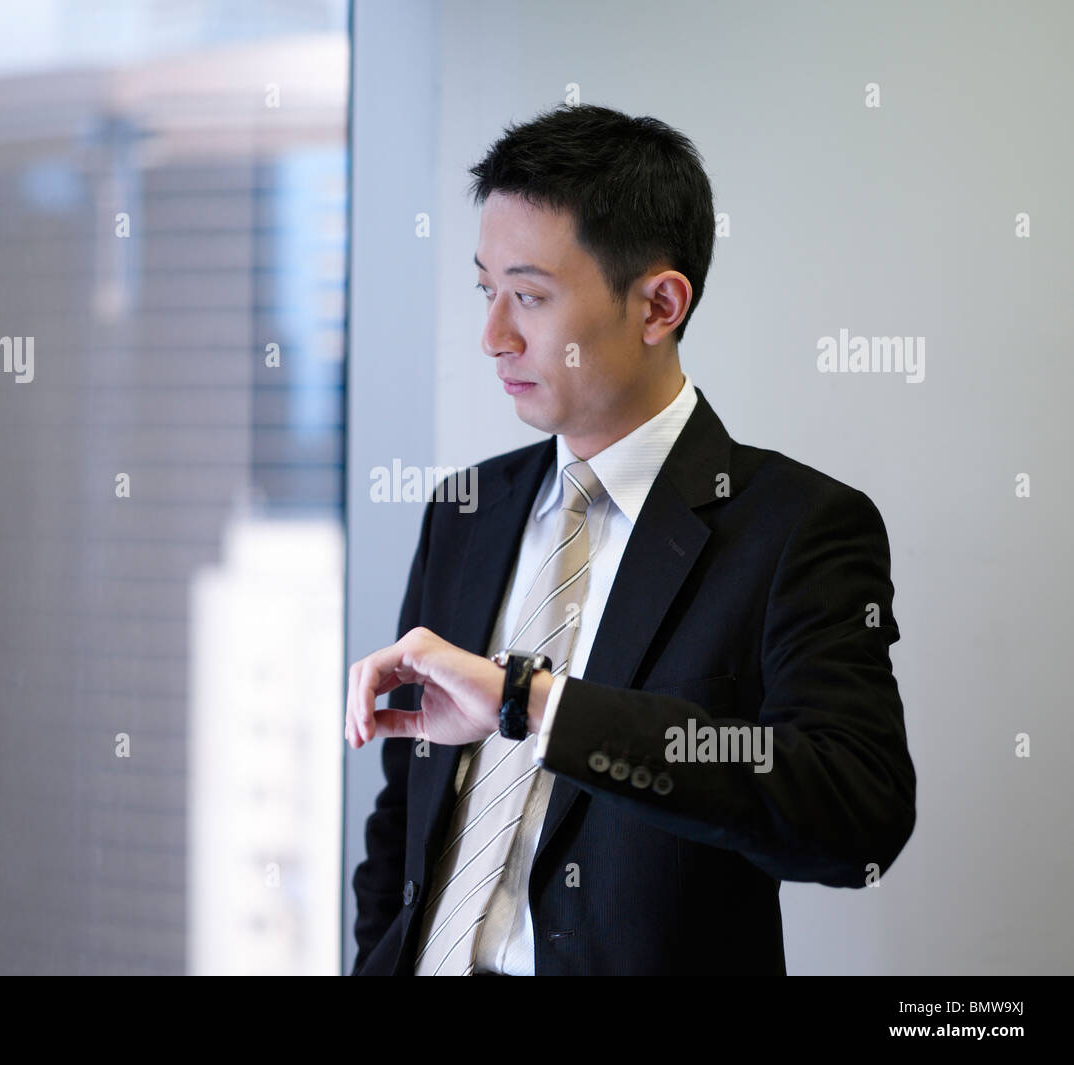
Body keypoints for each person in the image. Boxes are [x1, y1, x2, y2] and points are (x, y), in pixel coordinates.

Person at [346, 105, 916, 976]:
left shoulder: (796, 528)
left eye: (530, 296)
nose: (493, 337)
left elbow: (855, 813)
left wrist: (532, 702)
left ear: (659, 305)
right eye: (485, 290)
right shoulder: (465, 511)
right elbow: (403, 819)